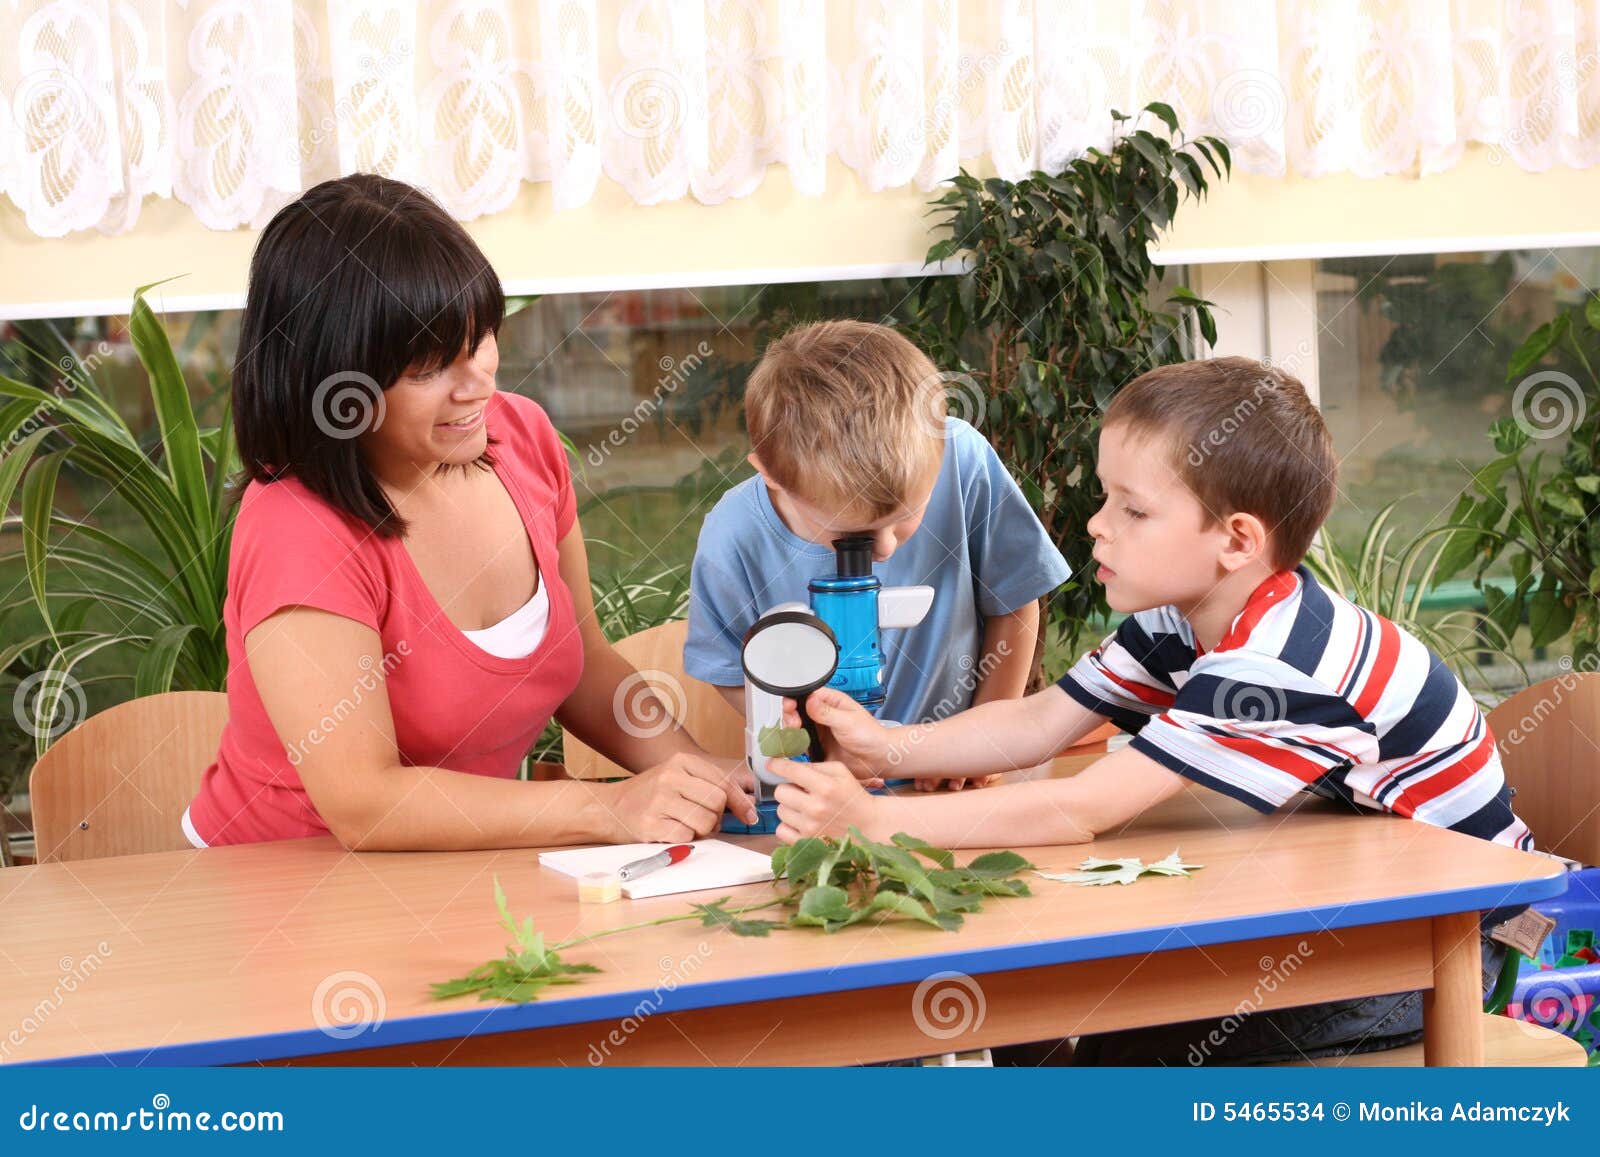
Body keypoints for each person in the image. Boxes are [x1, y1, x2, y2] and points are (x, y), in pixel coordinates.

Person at [769, 356, 1534, 1063]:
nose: (1098, 523)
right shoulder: (1180, 618)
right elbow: (1039, 722)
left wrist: (875, 823)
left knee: (1118, 1040)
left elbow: (1079, 809)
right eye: (1107, 498)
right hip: (1365, 889)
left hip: (1451, 939)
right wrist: (885, 748)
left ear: (1236, 540)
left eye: (1132, 509)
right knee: (1061, 1017)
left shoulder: (1279, 665)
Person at [184, 174, 755, 849]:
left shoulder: (523, 439)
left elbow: (587, 666)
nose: (480, 382)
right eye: (429, 367)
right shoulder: (298, 530)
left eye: (479, 338)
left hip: (447, 871)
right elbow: (365, 803)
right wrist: (606, 808)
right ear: (332, 383)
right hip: (282, 883)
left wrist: (695, 775)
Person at [683, 319, 1071, 791]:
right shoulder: (733, 534)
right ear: (773, 477)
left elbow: (1014, 604)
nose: (885, 550)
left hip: (952, 785)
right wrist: (819, 741)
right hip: (830, 788)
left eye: (908, 516)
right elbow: (728, 669)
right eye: (855, 535)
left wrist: (979, 741)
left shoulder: (962, 459)